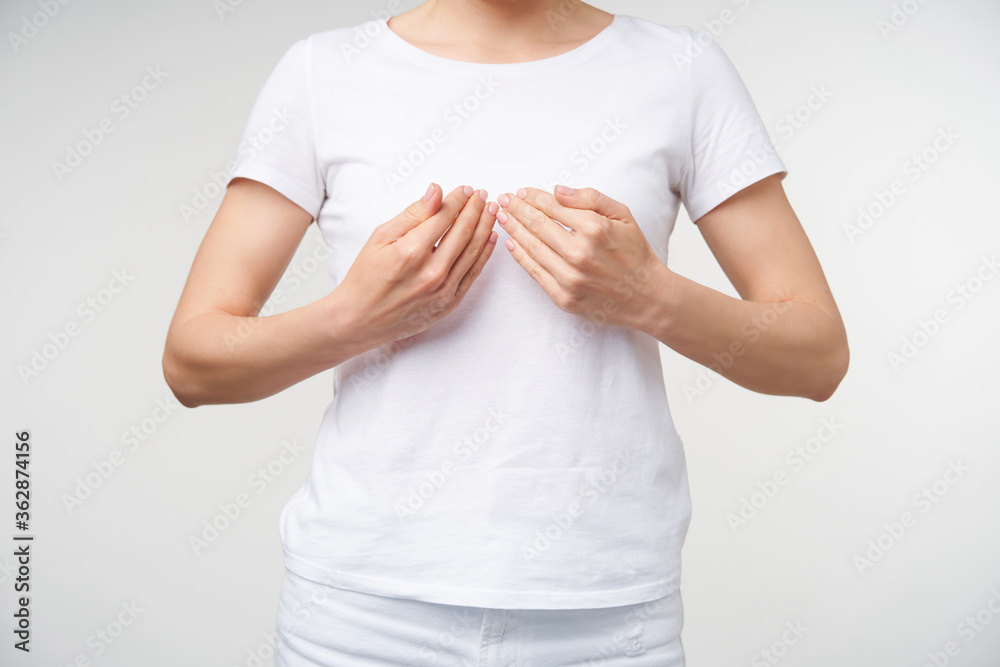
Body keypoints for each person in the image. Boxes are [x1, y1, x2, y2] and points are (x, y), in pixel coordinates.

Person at [162, 0, 849, 664]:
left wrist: (651, 296)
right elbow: (193, 362)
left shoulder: (683, 69)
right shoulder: (321, 72)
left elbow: (816, 357)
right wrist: (352, 316)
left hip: (605, 611)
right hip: (361, 614)